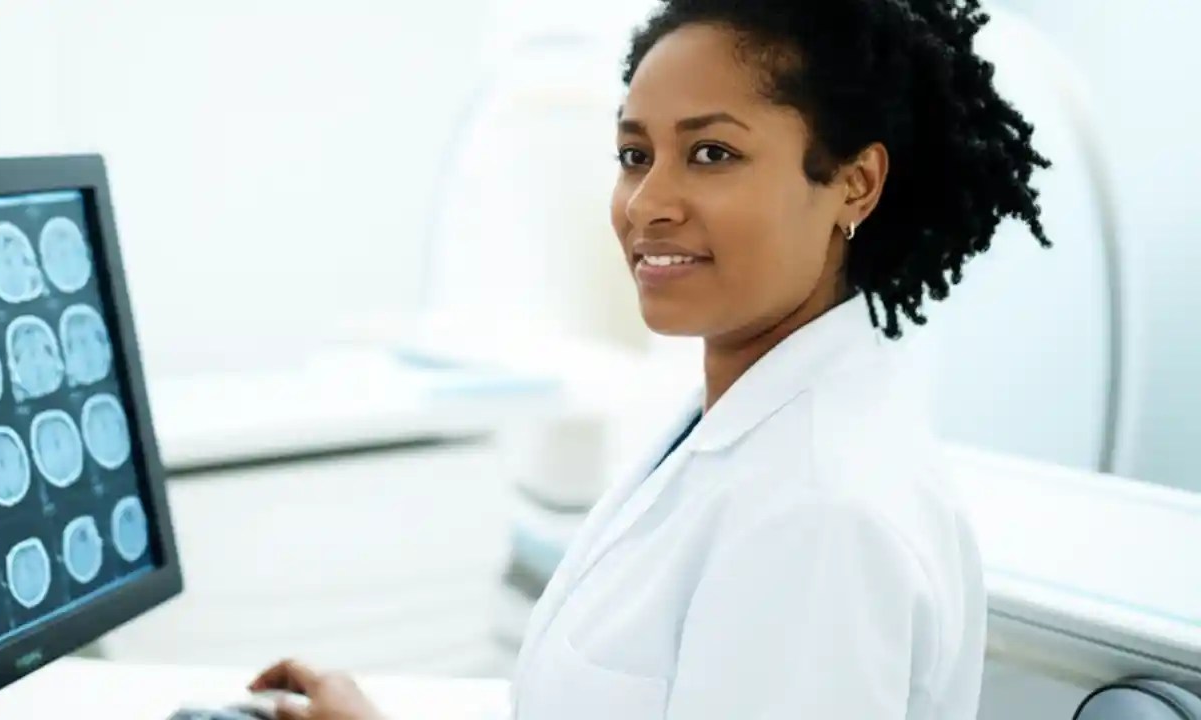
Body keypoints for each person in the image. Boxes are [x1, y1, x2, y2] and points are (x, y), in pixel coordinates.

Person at [250, 0, 1050, 717]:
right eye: (636, 155)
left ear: (854, 183)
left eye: (711, 154)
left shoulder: (819, 518)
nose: (646, 203)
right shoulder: (735, 425)